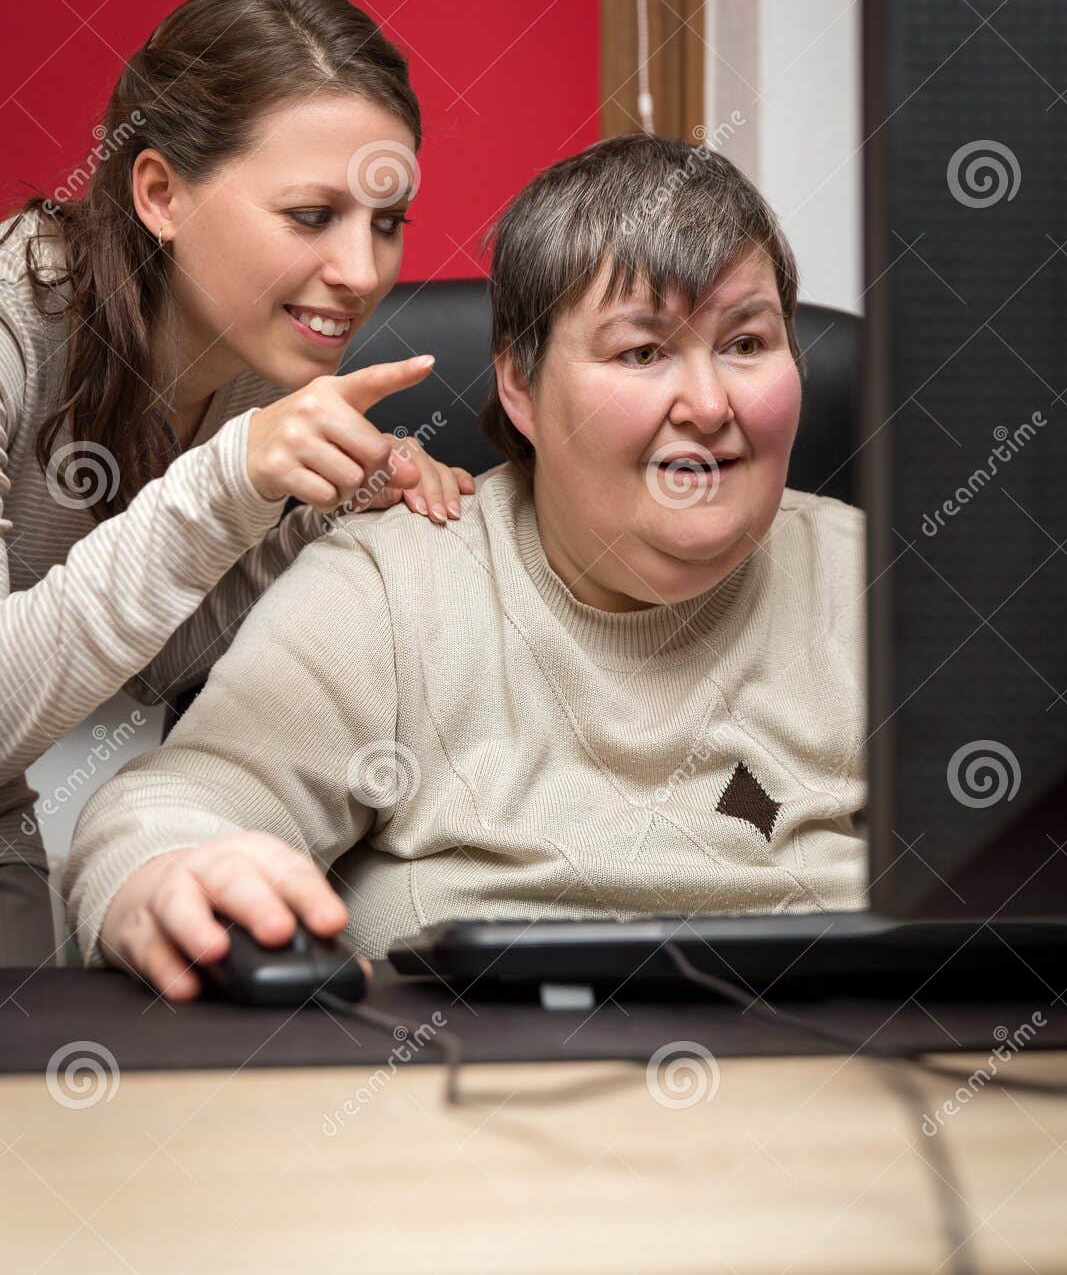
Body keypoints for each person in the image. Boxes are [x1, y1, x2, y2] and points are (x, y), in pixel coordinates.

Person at [64, 134, 868, 1001]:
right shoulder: (389, 587)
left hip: (844, 1089)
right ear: (519, 385)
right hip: (452, 1102)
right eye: (641, 353)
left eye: (746, 344)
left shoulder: (885, 593)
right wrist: (170, 875)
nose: (710, 405)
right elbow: (172, 810)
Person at [0, 0, 475, 965]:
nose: (360, 270)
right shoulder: (16, 326)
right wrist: (228, 484)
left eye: (386, 221)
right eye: (311, 215)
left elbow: (156, 668)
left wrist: (313, 509)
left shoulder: (267, 363)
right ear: (160, 194)